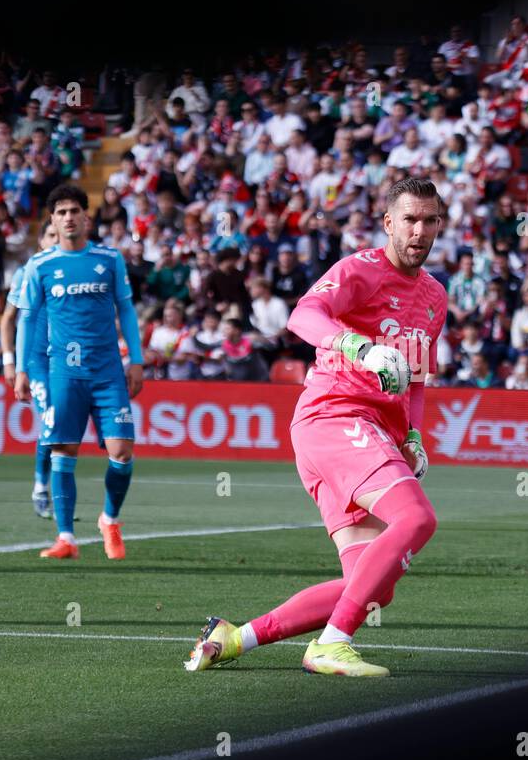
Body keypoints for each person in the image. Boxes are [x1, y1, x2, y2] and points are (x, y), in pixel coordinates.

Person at [186, 177, 448, 678]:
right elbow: (303, 315)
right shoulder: (360, 270)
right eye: (409, 220)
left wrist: (413, 436)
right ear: (388, 223)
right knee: (416, 519)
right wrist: (358, 347)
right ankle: (331, 644)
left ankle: (234, 637)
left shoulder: (434, 296)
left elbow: (415, 378)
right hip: (335, 416)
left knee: (375, 584)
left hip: (367, 433)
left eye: (429, 220)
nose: (419, 231)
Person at [14, 185, 143, 560]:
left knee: (121, 451)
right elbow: (27, 319)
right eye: (61, 212)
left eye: (75, 210)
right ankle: (66, 537)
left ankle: (109, 519)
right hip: (64, 373)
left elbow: (127, 311)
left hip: (107, 372)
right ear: (53, 220)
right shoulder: (40, 265)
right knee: (63, 449)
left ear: (86, 216)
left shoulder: (110, 259)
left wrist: (135, 359)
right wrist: (21, 368)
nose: (68, 217)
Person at [1, 219, 59, 518]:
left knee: (63, 426)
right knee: (51, 417)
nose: (56, 239)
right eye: (51, 235)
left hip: (65, 360)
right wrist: (11, 361)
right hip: (36, 361)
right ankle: (40, 488)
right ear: (41, 241)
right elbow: (8, 319)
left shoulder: (72, 272)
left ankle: (59, 493)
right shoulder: (26, 273)